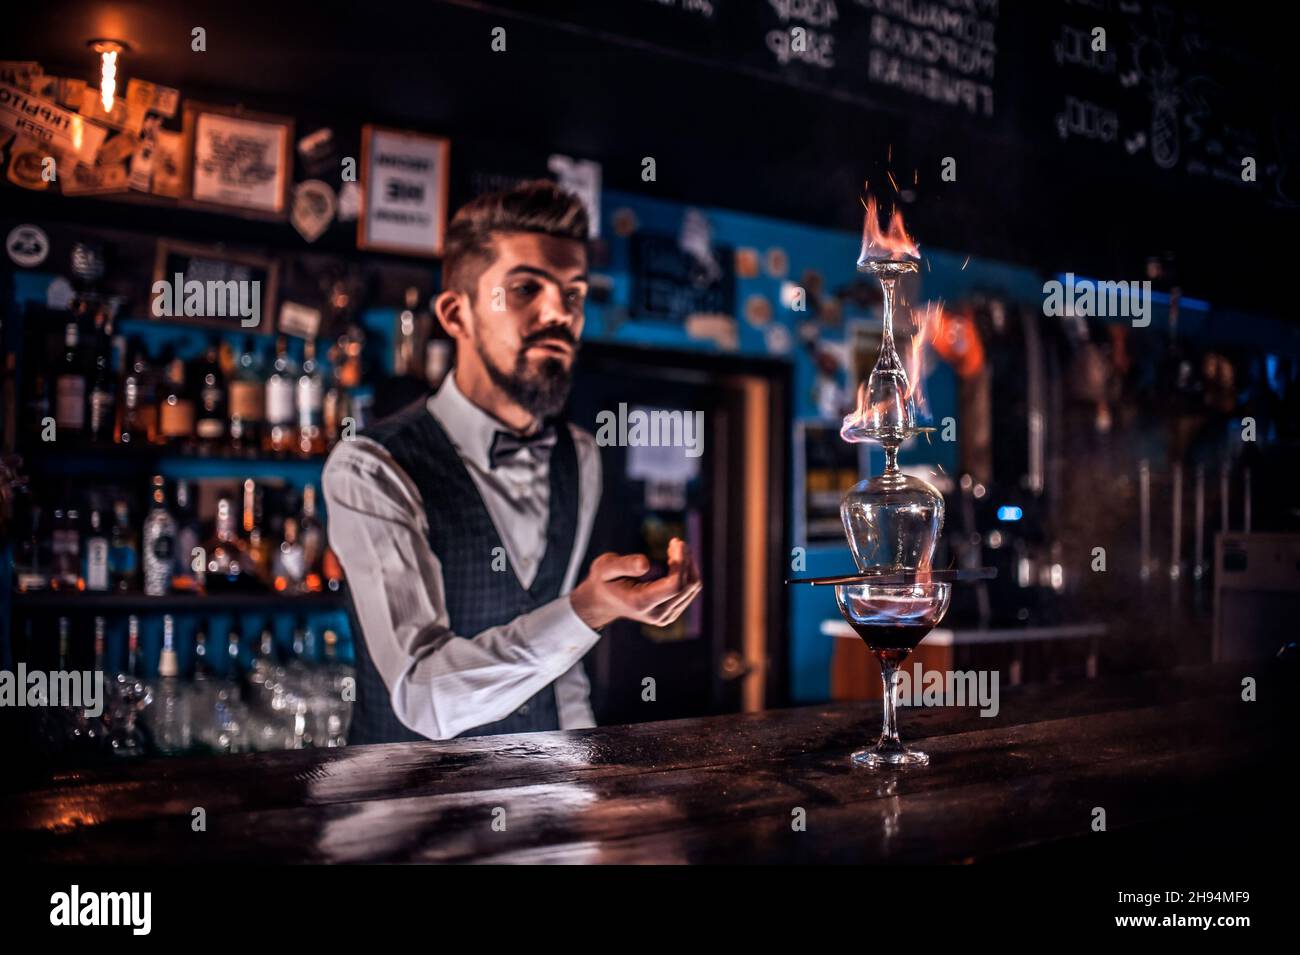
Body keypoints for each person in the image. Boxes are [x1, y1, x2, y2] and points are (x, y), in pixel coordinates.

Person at [323, 180, 702, 743]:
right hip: (407, 813)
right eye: (525, 288)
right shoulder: (370, 468)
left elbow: (564, 673)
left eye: (573, 294)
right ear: (457, 314)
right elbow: (423, 693)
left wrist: (584, 775)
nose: (559, 313)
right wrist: (585, 611)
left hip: (544, 805)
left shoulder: (580, 454)